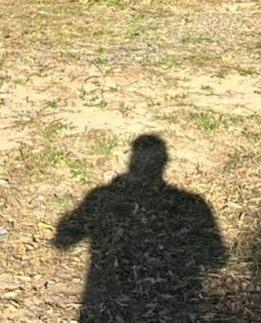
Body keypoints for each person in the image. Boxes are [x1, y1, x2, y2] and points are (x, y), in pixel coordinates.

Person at [53, 135, 227, 322]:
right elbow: (216, 259)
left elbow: (63, 240)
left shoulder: (101, 197)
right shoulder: (193, 204)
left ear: (131, 161)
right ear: (165, 162)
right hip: (172, 306)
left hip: (112, 303)